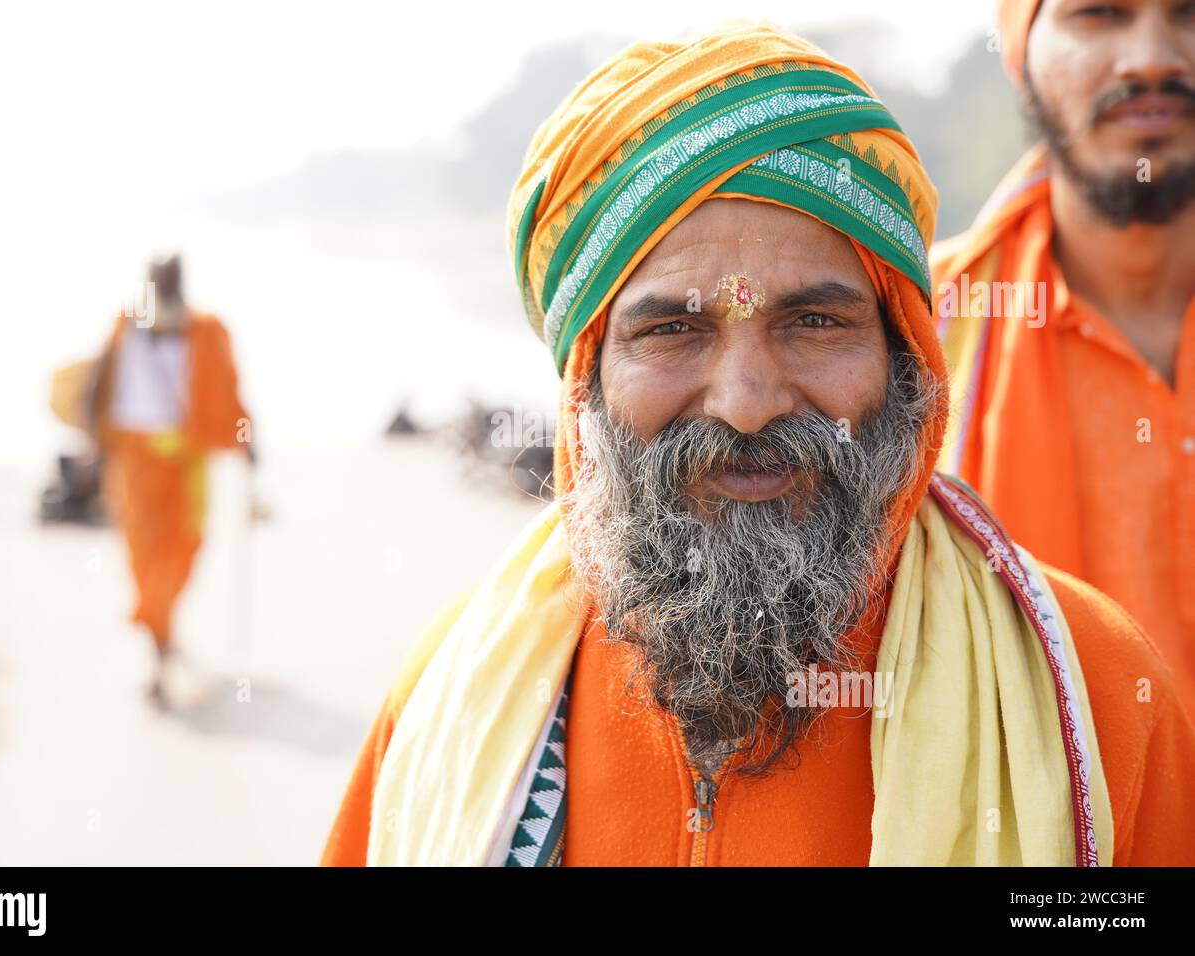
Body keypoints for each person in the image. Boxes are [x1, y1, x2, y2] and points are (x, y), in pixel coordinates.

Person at [322, 22, 1195, 866]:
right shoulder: (449, 699)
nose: (744, 404)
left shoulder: (1099, 708)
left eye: (814, 322)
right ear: (585, 377)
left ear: (907, 361)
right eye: (671, 330)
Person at [933, 0, 1195, 706]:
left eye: (1188, 13)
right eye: (1101, 14)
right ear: (1021, 53)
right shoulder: (908, 333)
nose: (1152, 58)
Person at [89, 255, 252, 704]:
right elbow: (98, 385)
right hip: (135, 461)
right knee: (144, 555)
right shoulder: (128, 323)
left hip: (185, 463)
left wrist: (247, 441)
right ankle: (159, 649)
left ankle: (163, 632)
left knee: (184, 548)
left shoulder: (206, 330)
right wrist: (94, 446)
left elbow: (229, 390)